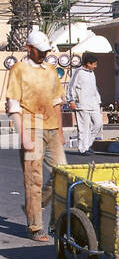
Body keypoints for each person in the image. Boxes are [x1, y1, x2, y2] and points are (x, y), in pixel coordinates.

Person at [5, 27, 66, 242]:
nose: (43, 54)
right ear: (28, 48)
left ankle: (36, 204)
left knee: (63, 173)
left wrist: (60, 130)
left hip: (50, 125)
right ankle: (35, 226)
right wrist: (23, 136)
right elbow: (13, 106)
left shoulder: (50, 70)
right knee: (34, 178)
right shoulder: (18, 70)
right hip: (31, 125)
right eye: (39, 51)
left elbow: (57, 102)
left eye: (45, 51)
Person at [68, 52, 103, 154]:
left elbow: (94, 88)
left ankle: (88, 144)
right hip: (82, 104)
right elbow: (71, 86)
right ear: (88, 63)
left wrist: (98, 101)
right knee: (84, 128)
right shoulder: (78, 72)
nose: (96, 66)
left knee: (98, 124)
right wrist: (71, 101)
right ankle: (83, 148)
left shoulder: (92, 73)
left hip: (93, 104)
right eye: (94, 64)